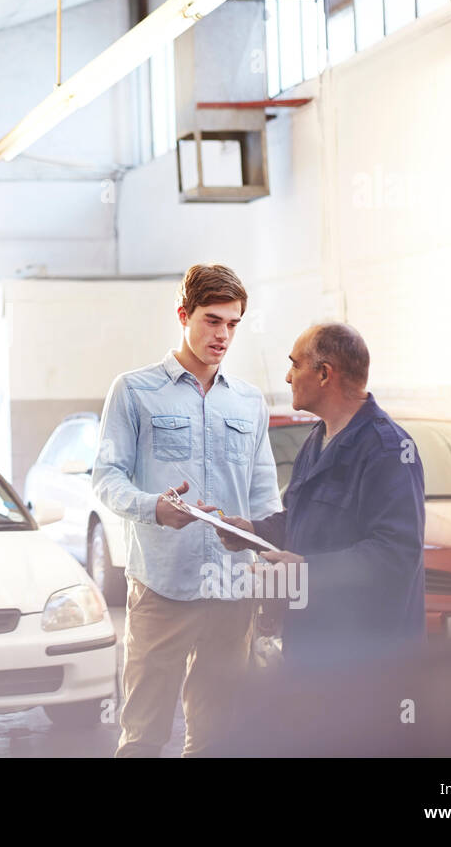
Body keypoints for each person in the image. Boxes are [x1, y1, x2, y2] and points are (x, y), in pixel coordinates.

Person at [93, 263, 281, 757]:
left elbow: (264, 492)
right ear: (183, 314)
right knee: (143, 733)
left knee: (217, 736)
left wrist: (264, 556)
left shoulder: (248, 402)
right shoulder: (134, 391)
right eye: (212, 320)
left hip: (231, 589)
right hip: (162, 587)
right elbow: (106, 478)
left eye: (233, 324)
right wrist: (153, 507)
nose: (223, 335)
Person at [217, 323, 426, 670]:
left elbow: (396, 555)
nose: (287, 377)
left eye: (295, 364)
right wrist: (252, 532)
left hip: (366, 664)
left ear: (325, 374)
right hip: (313, 653)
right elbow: (300, 520)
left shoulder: (388, 450)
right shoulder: (316, 440)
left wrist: (306, 569)